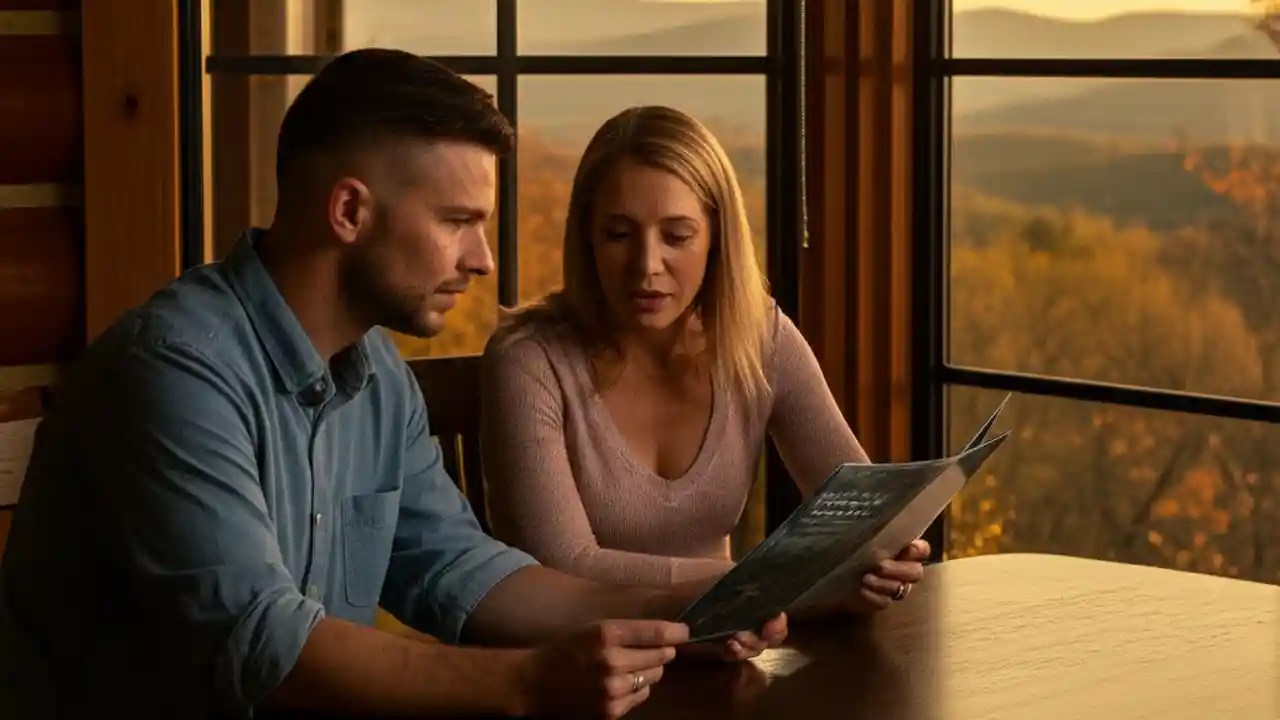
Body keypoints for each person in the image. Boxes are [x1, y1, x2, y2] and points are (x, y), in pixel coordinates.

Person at [0, 51, 786, 719]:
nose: (481, 259)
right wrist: (531, 681)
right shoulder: (172, 371)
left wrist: (685, 614)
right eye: (456, 221)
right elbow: (265, 646)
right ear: (349, 210)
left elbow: (463, 574)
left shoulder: (378, 380)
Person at [480, 105, 929, 614]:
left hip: (728, 649)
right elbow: (563, 564)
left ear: (718, 238)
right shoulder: (529, 359)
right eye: (619, 234)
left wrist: (885, 557)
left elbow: (863, 518)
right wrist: (779, 580)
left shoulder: (760, 338)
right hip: (576, 666)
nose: (646, 266)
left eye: (676, 236)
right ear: (586, 236)